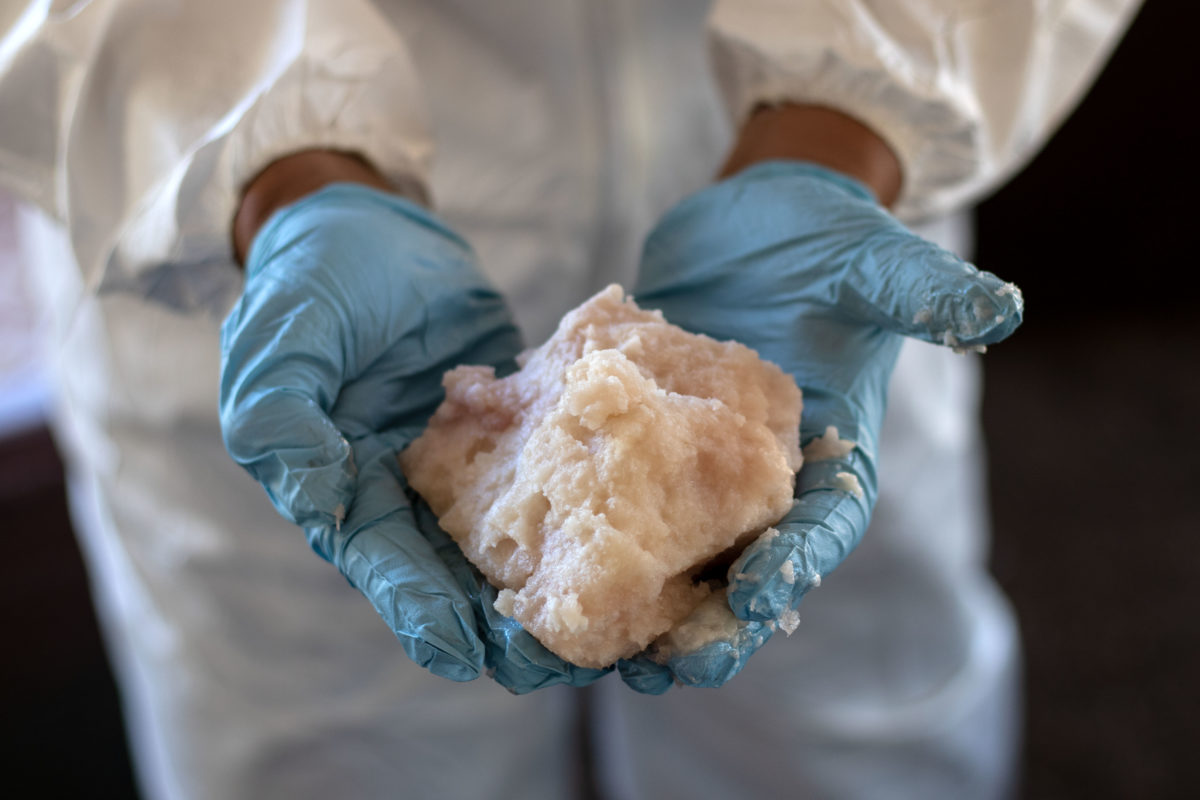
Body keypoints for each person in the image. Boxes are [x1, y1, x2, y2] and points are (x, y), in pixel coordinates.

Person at [0, 1, 1141, 797]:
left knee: (848, 742)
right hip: (283, 268)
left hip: (811, 236)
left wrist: (847, 123)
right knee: (337, 763)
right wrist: (274, 169)